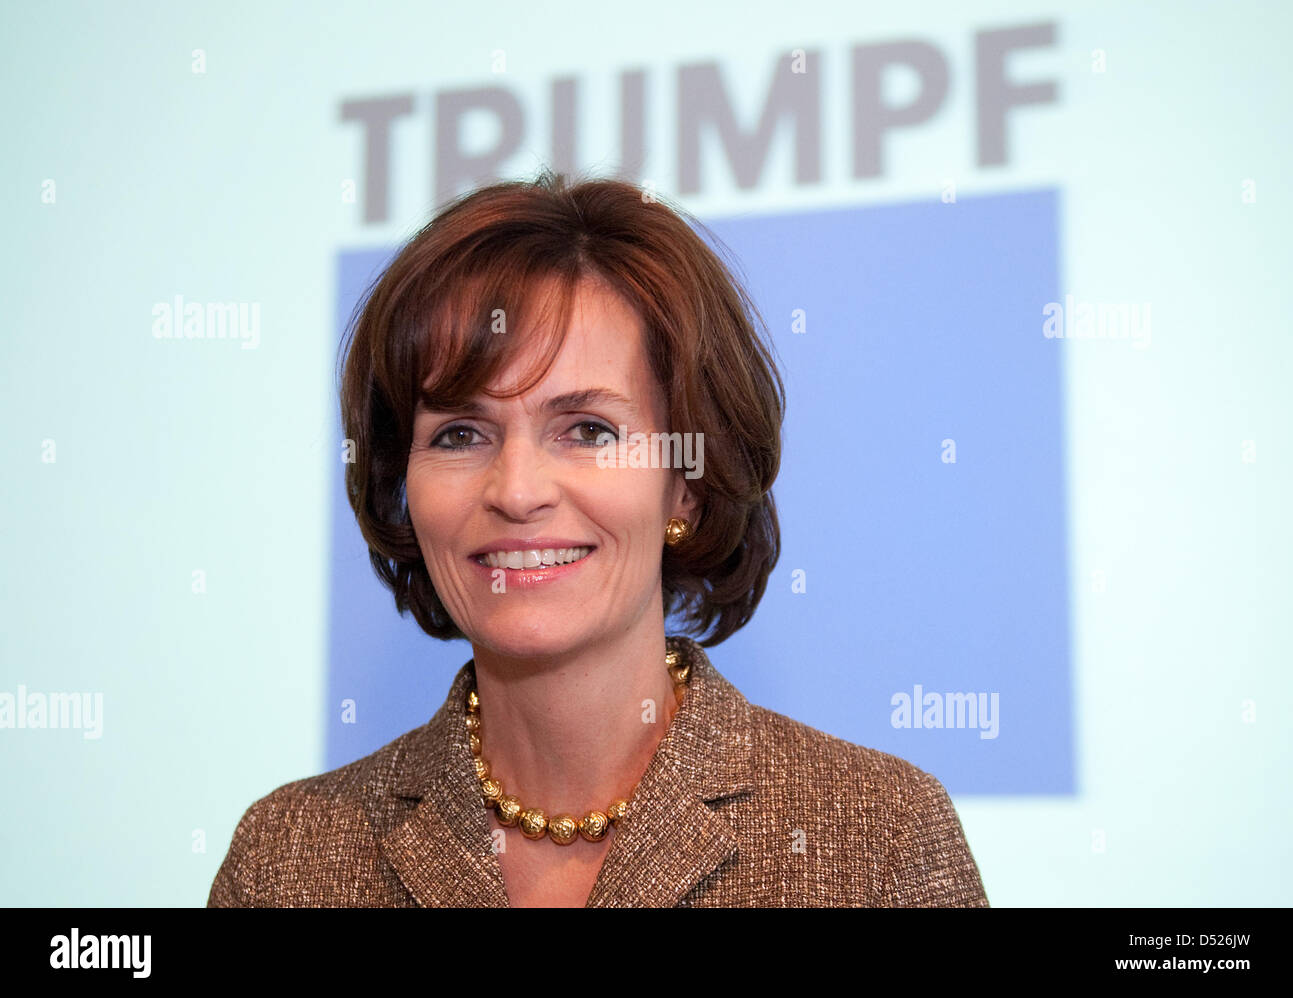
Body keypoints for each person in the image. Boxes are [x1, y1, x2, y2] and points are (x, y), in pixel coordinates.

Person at [207, 170, 988, 907]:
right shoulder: (288, 860)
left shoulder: (879, 844)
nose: (516, 491)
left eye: (586, 429)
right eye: (459, 434)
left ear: (685, 478)